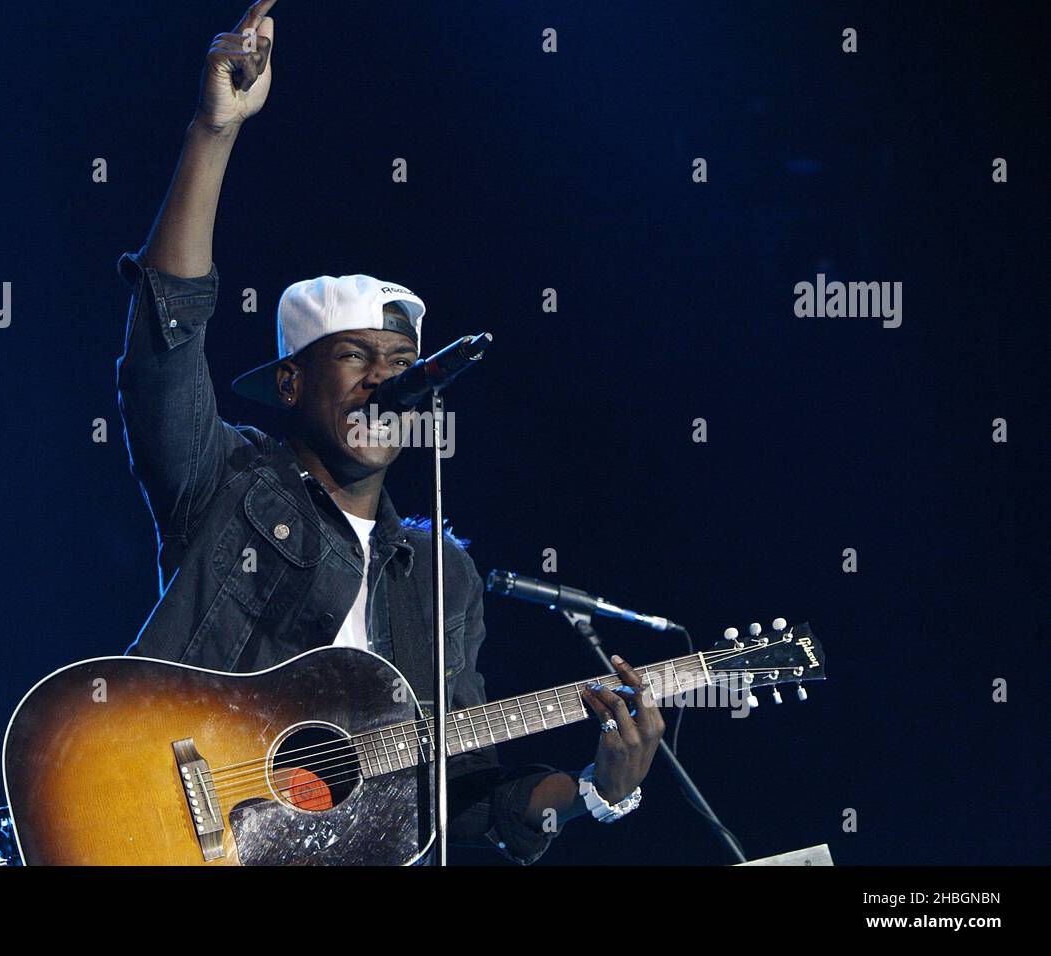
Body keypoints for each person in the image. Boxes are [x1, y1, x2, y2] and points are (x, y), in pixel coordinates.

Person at [114, 0, 663, 865]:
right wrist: (213, 131)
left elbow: (474, 800)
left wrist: (604, 790)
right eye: (356, 357)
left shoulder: (444, 578)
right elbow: (164, 349)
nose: (384, 377)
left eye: (402, 362)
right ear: (290, 383)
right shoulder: (227, 488)